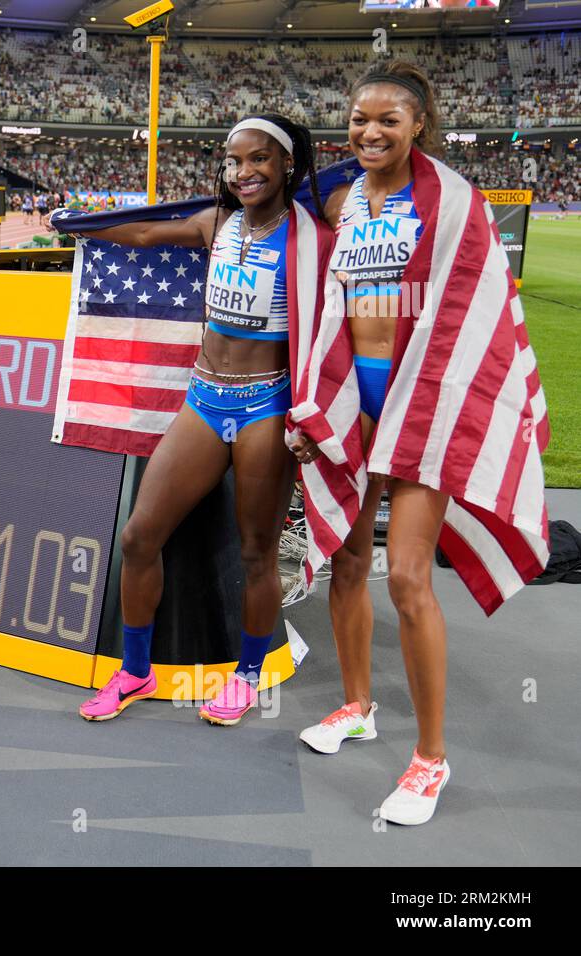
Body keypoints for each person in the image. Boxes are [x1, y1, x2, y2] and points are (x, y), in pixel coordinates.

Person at [288, 62, 550, 825]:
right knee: (345, 557)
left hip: (422, 403)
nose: (370, 132)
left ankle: (431, 760)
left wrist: (421, 397)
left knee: (406, 577)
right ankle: (357, 704)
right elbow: (329, 311)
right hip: (355, 401)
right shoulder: (347, 203)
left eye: (388, 121)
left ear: (419, 127)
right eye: (359, 119)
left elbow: (474, 312)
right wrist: (317, 407)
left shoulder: (454, 201)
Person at [47, 114, 331, 725]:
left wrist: (316, 414)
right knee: (139, 537)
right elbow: (148, 233)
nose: (243, 171)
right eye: (233, 161)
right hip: (204, 400)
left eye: (258, 159)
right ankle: (135, 672)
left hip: (267, 406)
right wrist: (78, 223)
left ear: (286, 165)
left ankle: (248, 675)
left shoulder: (310, 237)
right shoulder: (216, 222)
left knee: (258, 552)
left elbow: (332, 330)